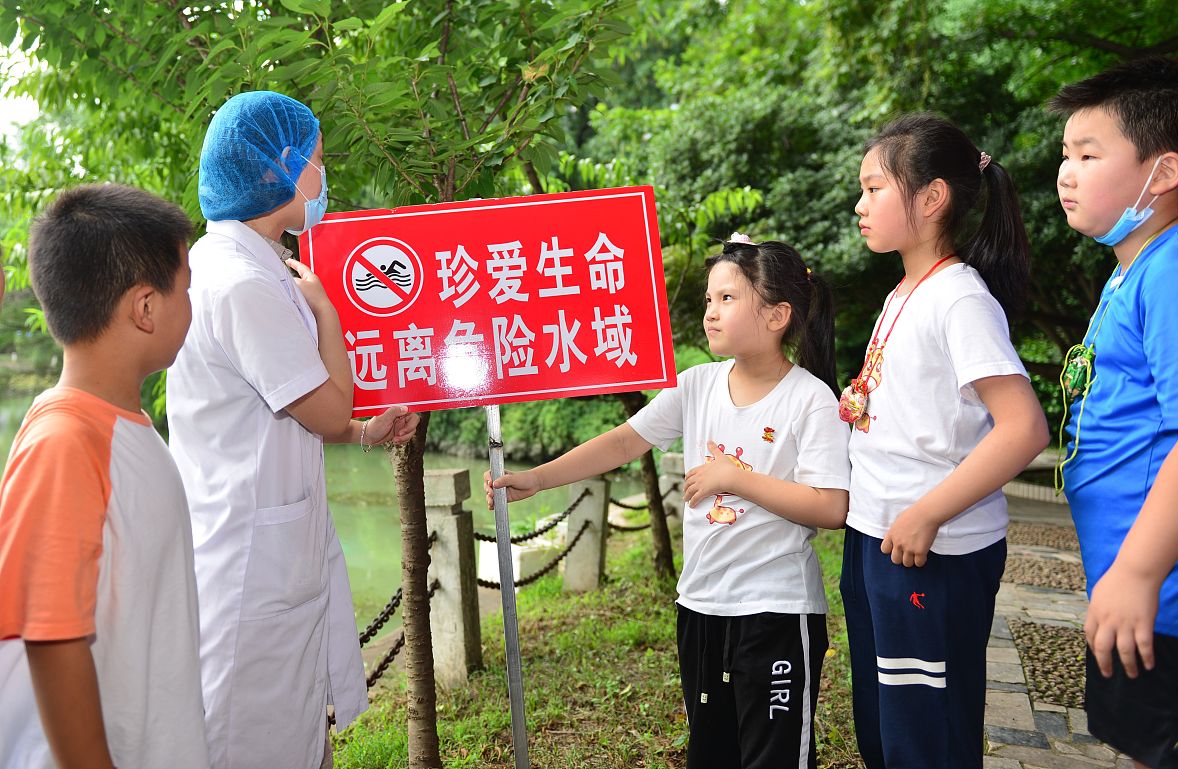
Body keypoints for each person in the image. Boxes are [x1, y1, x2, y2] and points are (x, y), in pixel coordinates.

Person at [488, 236, 850, 769]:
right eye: (708, 300)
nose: (711, 312)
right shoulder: (696, 385)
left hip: (776, 610)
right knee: (710, 754)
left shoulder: (810, 398)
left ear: (777, 316)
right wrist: (540, 478)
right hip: (700, 605)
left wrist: (737, 478)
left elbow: (830, 507)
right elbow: (623, 441)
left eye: (727, 298)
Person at [166, 91, 419, 769]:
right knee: (252, 741)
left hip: (269, 550)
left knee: (293, 736)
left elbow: (285, 411)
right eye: (317, 160)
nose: (322, 175)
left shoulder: (252, 265)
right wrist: (327, 315)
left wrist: (365, 433)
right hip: (248, 572)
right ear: (279, 168)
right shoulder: (242, 281)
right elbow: (327, 406)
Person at [842, 113, 1050, 769]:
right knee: (886, 725)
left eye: (875, 188)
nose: (860, 204)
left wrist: (928, 511)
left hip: (930, 546)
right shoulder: (907, 289)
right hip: (879, 533)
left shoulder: (959, 298)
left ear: (932, 198)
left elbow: (1023, 427)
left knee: (927, 735)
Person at [0, 184, 208, 769]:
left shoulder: (125, 424)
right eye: (186, 291)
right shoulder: (65, 443)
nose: (191, 307)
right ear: (145, 308)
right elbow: (52, 635)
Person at [1051, 56, 1178, 769]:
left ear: (1162, 173)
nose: (1066, 172)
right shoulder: (1133, 268)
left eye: (1088, 154)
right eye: (1064, 155)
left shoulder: (1176, 271)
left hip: (1169, 598)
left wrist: (1139, 570)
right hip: (1135, 590)